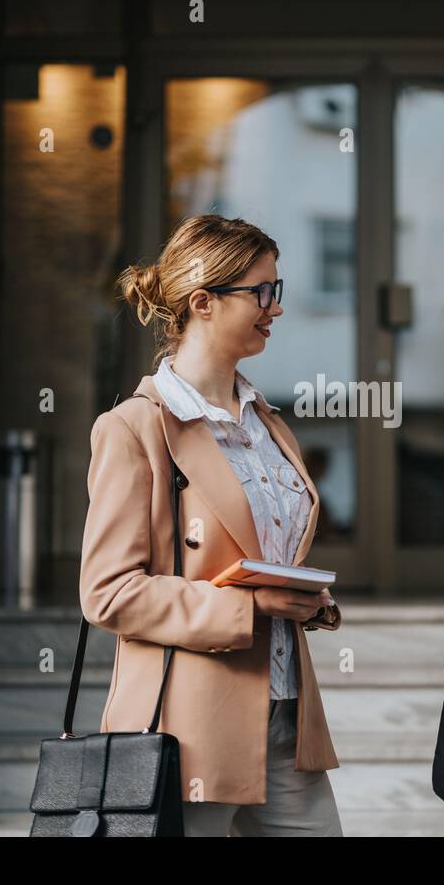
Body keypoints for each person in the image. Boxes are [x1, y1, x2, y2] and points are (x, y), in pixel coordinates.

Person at [79, 214, 344, 836]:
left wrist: (305, 600)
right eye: (262, 291)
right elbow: (108, 592)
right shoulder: (134, 428)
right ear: (203, 302)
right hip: (186, 722)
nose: (275, 307)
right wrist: (250, 609)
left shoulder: (267, 424)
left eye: (276, 289)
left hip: (286, 715)